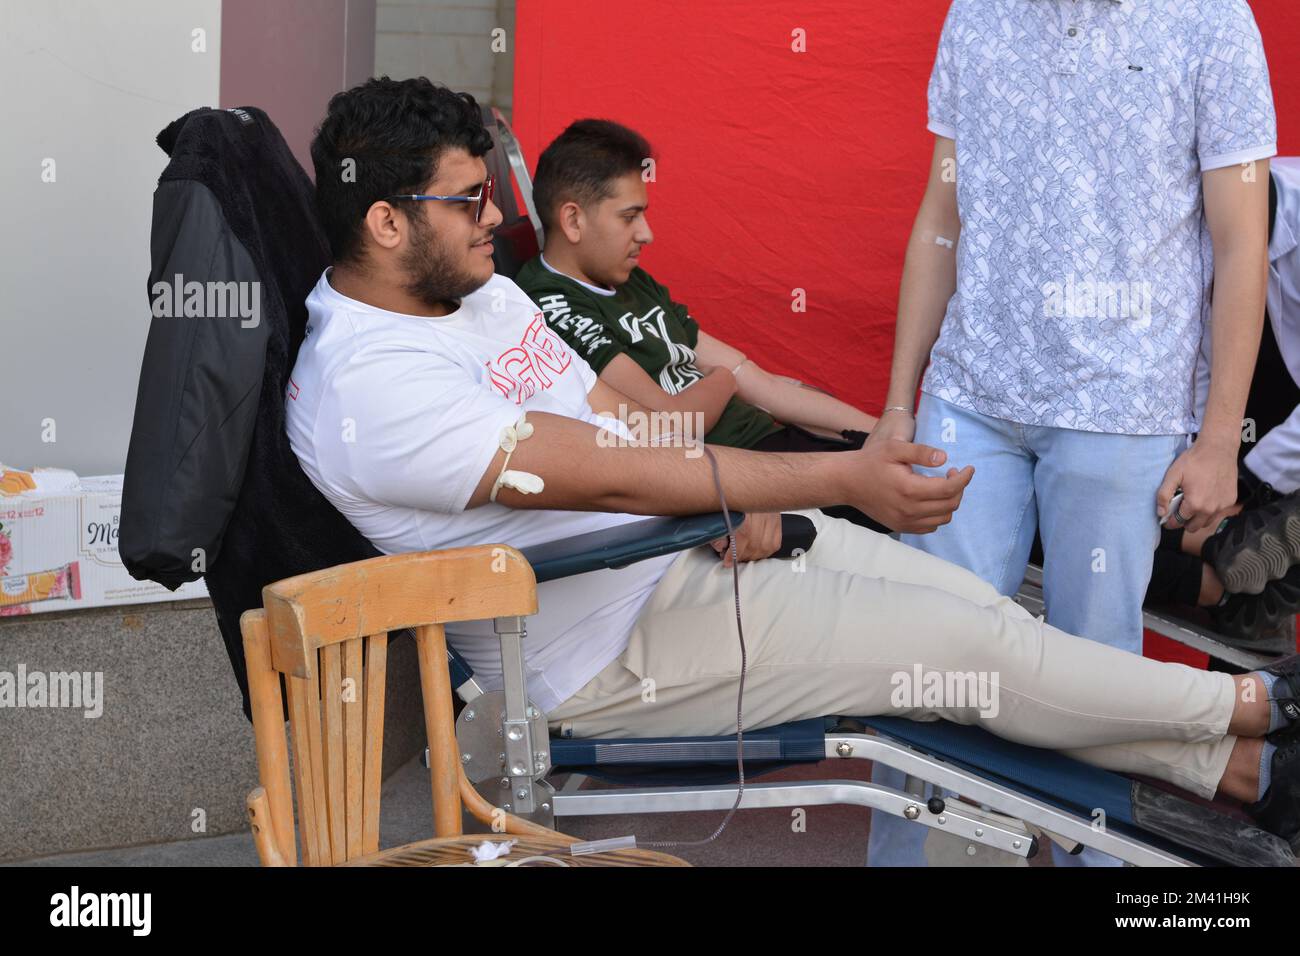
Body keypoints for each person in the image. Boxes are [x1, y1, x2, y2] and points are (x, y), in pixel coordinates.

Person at [285, 77, 1300, 855]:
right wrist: (839, 478)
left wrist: (728, 498)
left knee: (986, 616)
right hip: (611, 652)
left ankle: (1245, 768)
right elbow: (611, 473)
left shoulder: (478, 298)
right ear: (386, 220)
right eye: (468, 202)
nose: (495, 219)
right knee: (961, 653)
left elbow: (635, 437)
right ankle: (1259, 710)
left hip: (679, 558)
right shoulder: (366, 389)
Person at [868, 0, 1278, 867]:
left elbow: (1242, 243)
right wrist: (900, 404)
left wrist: (1216, 442)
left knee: (1094, 678)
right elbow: (940, 220)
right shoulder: (974, 16)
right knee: (927, 658)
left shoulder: (1213, 21)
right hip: (970, 392)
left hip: (1123, 405)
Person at [514, 119, 886, 532]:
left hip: (768, 442)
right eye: (630, 216)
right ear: (573, 220)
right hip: (739, 473)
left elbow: (761, 383)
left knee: (898, 462)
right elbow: (670, 426)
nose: (647, 234)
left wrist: (883, 432)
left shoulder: (628, 279)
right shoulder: (552, 302)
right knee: (897, 501)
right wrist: (724, 380)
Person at [1147, 160, 1300, 652]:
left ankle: (1236, 572)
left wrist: (1251, 484)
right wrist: (1204, 470)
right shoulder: (1201, 225)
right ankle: (1237, 567)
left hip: (1279, 420)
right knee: (1143, 516)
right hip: (1257, 408)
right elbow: (1205, 361)